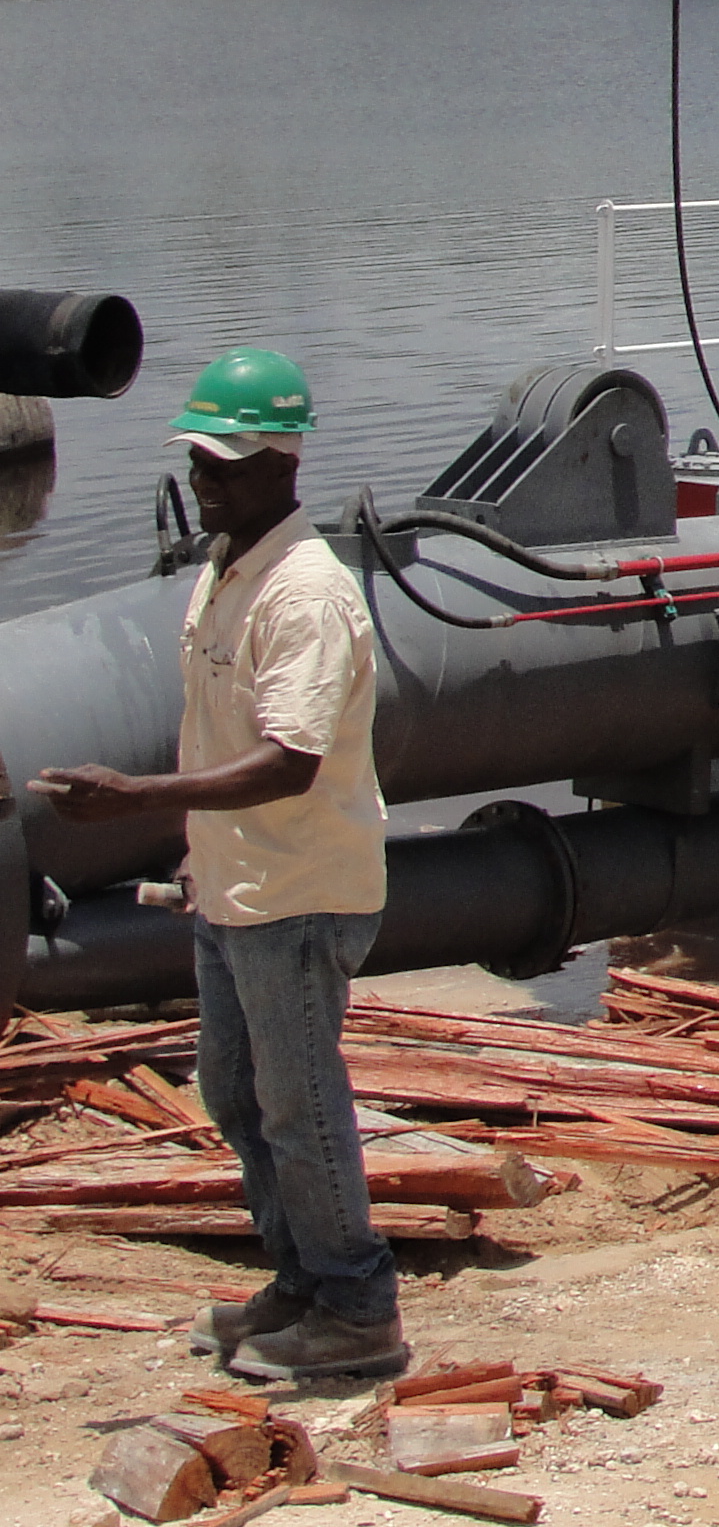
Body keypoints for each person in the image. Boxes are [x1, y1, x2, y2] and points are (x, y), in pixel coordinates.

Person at [30, 351, 405, 1381]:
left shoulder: (306, 594)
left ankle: (358, 1310)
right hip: (237, 887)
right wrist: (188, 844)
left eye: (228, 466)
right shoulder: (229, 568)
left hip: (297, 890)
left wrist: (134, 803)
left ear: (286, 465)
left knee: (300, 1104)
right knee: (233, 1093)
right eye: (200, 462)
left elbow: (289, 763)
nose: (209, 483)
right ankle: (301, 1281)